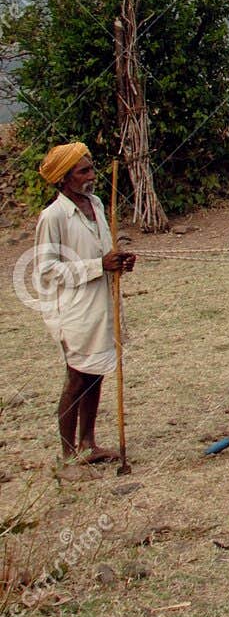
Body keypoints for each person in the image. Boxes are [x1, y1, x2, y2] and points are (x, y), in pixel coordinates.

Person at [32, 142, 136, 465]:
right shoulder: (53, 216)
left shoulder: (98, 205)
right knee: (77, 377)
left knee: (96, 372)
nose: (92, 175)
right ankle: (67, 457)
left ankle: (89, 444)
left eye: (91, 168)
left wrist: (119, 261)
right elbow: (47, 272)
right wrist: (97, 266)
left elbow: (103, 251)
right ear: (64, 179)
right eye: (83, 171)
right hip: (74, 309)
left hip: (102, 305)